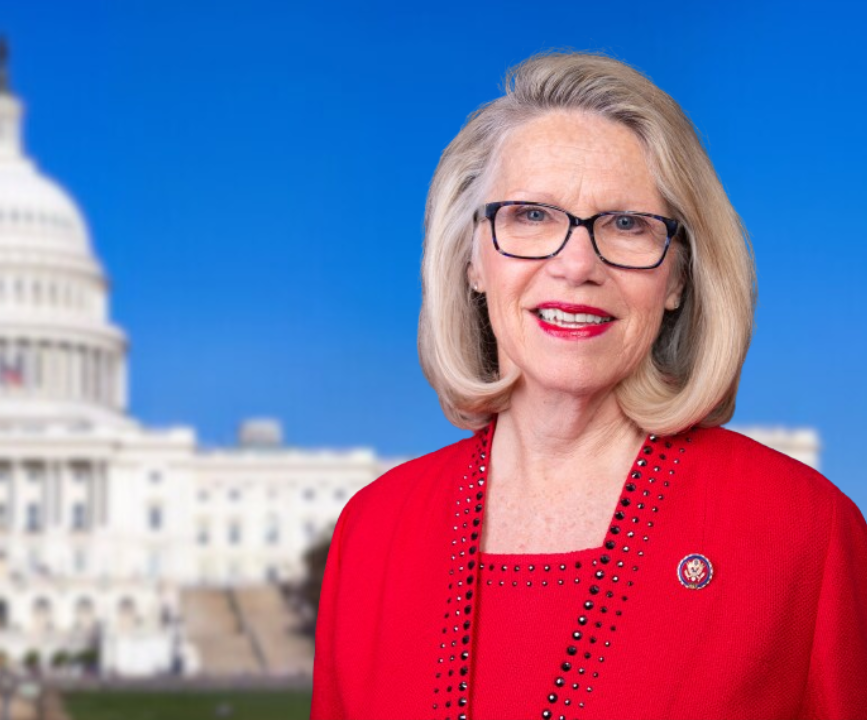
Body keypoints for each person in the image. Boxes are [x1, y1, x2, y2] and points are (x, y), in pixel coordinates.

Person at [310, 52, 867, 720]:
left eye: (626, 225)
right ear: (471, 260)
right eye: (530, 216)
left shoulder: (802, 530)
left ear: (679, 279)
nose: (576, 264)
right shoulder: (374, 532)